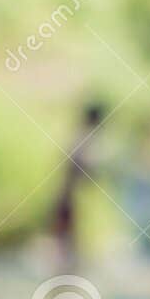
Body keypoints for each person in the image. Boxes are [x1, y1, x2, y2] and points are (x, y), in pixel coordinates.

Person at [51, 102, 104, 265]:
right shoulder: (84, 139)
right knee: (67, 236)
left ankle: (67, 266)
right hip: (68, 195)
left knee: (68, 235)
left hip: (67, 194)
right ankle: (65, 268)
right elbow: (82, 168)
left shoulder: (79, 136)